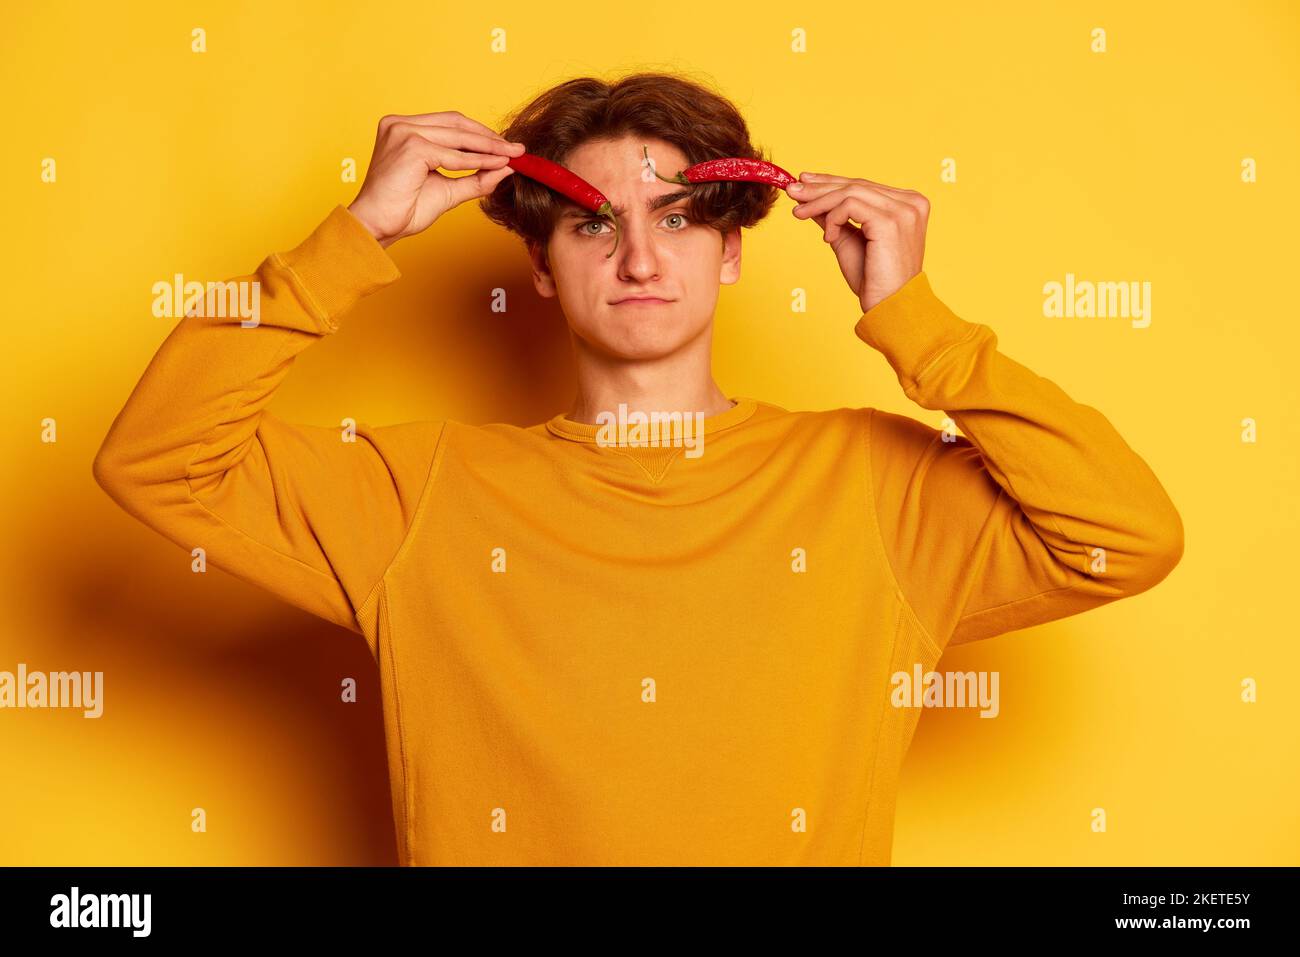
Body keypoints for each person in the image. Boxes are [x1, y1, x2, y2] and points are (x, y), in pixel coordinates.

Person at [92, 72, 1184, 865]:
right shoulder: (415, 493)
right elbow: (156, 461)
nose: (640, 258)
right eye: (591, 226)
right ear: (537, 265)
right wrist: (357, 233)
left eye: (677, 218)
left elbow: (1124, 533)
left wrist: (917, 323)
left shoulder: (872, 482)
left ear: (734, 248)